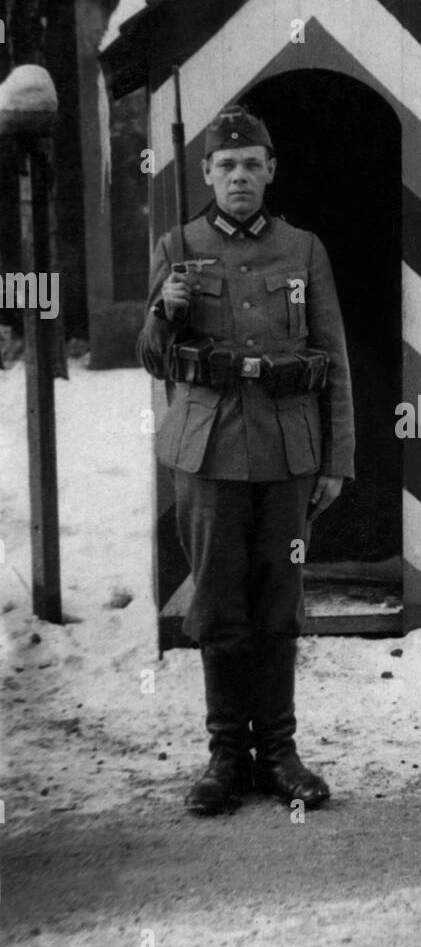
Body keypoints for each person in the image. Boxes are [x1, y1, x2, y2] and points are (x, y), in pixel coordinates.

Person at [137, 104, 354, 816]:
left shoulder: (304, 250)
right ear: (206, 173)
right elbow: (149, 356)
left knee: (279, 600)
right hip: (207, 455)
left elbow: (336, 361)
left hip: (289, 454)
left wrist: (335, 460)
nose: (238, 176)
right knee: (220, 602)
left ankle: (281, 753)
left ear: (270, 172)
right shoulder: (178, 244)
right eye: (225, 166)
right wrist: (164, 311)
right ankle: (226, 757)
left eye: (251, 165)